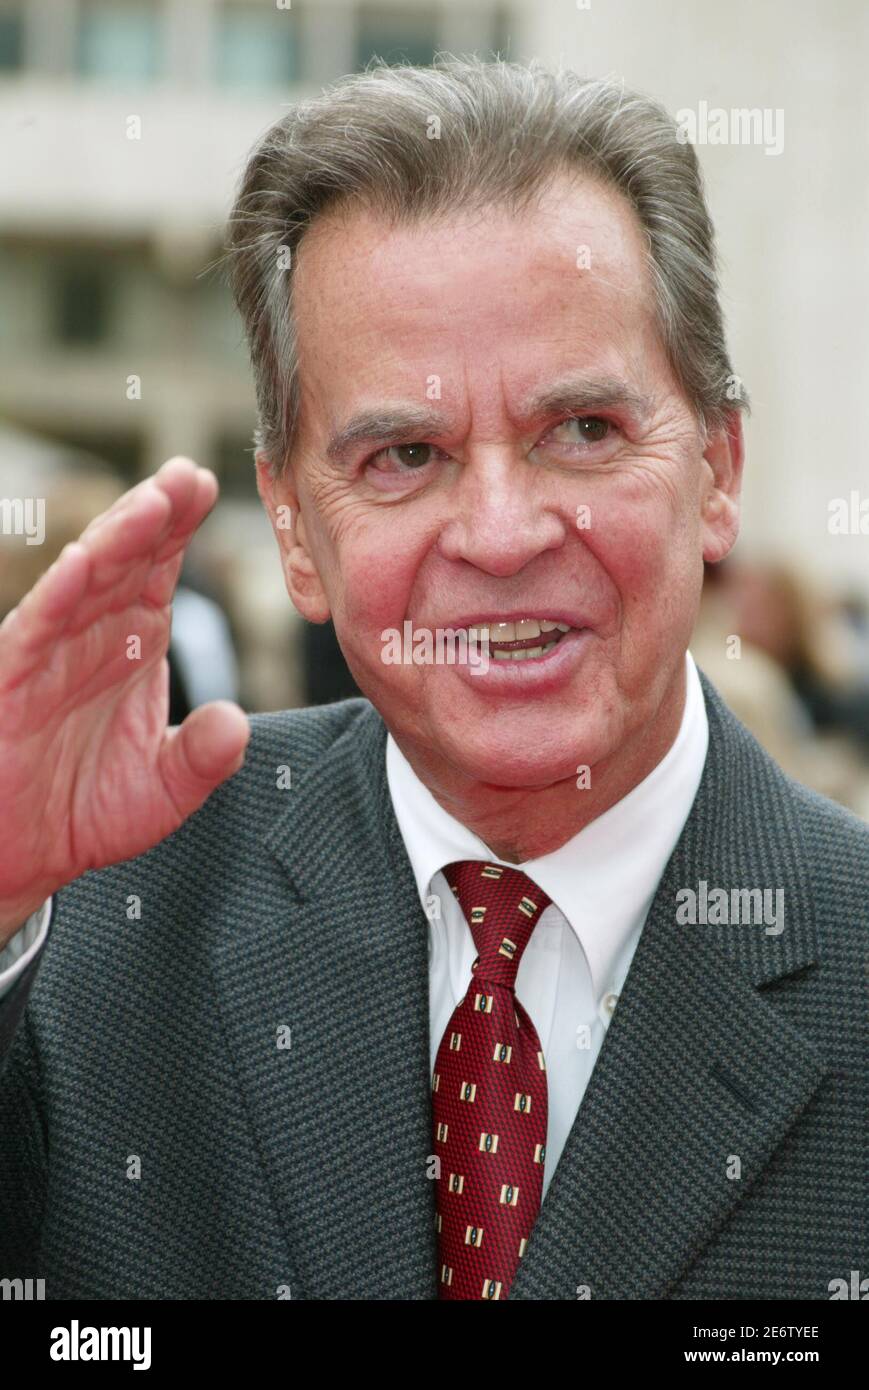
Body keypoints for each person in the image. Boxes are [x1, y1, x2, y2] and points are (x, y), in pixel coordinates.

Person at [0, 57, 865, 1302]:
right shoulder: (86, 918)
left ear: (716, 469)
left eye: (582, 431)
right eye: (406, 453)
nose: (502, 534)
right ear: (295, 529)